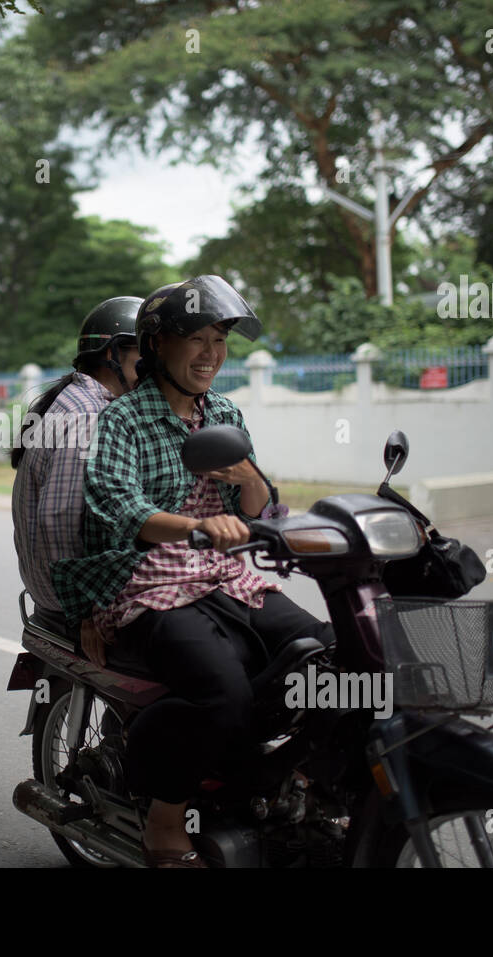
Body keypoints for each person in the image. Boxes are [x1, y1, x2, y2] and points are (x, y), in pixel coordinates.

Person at [52, 275, 334, 867]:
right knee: (222, 692)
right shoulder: (124, 420)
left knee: (329, 655)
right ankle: (164, 815)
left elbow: (257, 508)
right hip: (148, 582)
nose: (211, 354)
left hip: (227, 577)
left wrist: (251, 484)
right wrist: (195, 527)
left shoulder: (224, 412)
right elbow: (119, 507)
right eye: (195, 340)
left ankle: (279, 782)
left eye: (219, 340)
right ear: (157, 346)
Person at [10, 297, 142, 638]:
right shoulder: (90, 415)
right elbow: (59, 518)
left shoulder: (73, 397)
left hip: (46, 586)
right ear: (113, 355)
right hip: (68, 597)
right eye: (145, 353)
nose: (154, 366)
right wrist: (86, 611)